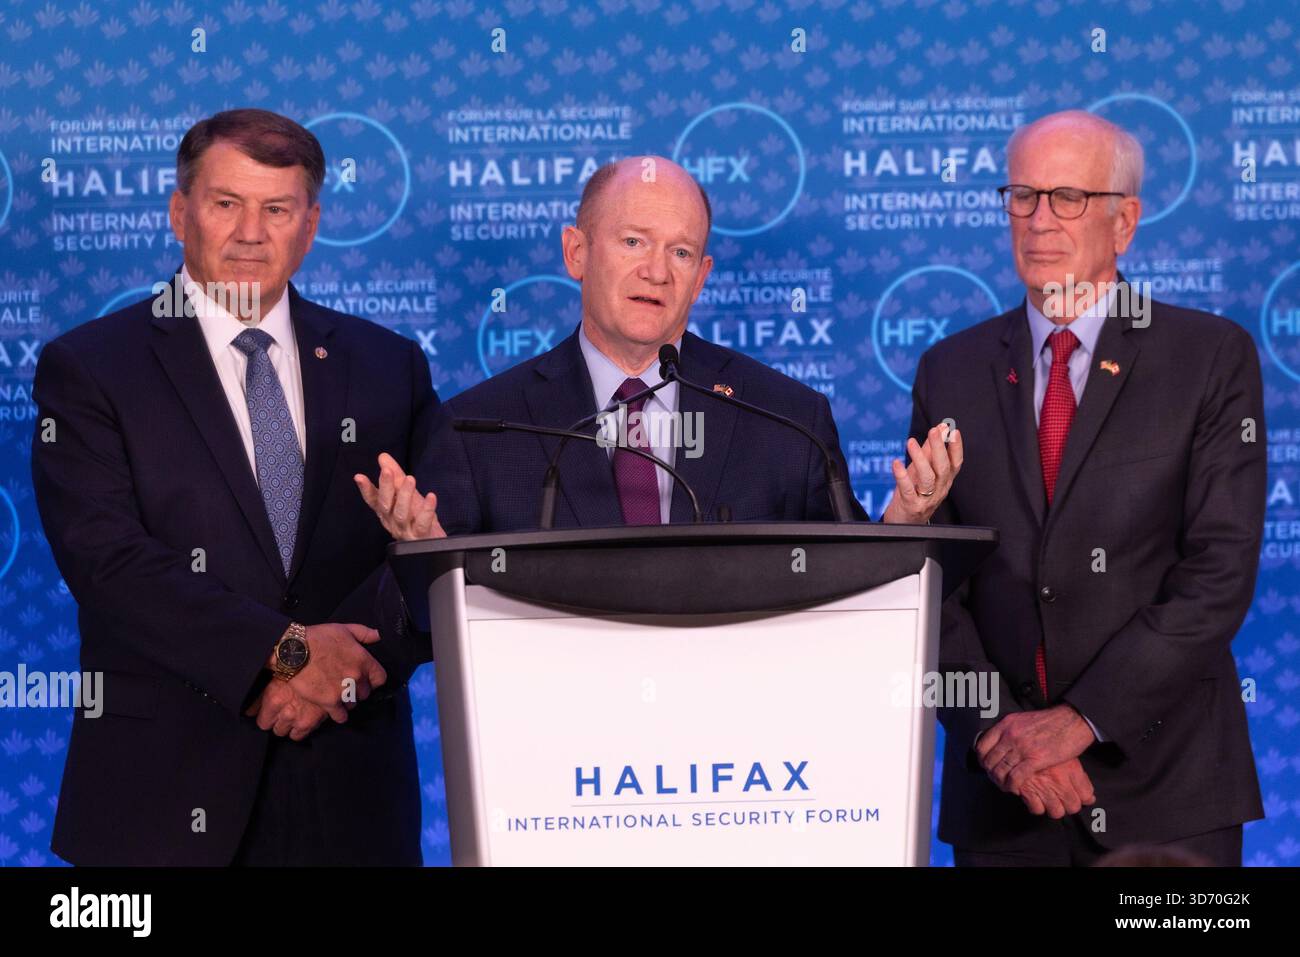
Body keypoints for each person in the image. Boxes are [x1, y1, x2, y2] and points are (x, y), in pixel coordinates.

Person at [31, 109, 436, 865]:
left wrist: (336, 670)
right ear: (180, 211)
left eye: (276, 209)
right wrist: (284, 655)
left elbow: (430, 553)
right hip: (163, 798)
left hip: (353, 798)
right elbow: (108, 564)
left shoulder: (389, 367)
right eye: (226, 204)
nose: (251, 232)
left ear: (310, 225)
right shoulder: (92, 368)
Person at [910, 110, 1265, 866]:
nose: (1040, 220)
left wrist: (1078, 721)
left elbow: (1218, 575)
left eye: (1068, 196)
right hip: (1005, 803)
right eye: (1023, 195)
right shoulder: (951, 369)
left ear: (1124, 221)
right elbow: (932, 584)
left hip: (1168, 795)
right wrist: (1000, 732)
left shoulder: (1208, 358)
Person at [358, 155, 961, 541]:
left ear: (700, 277)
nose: (657, 272)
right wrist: (426, 560)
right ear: (576, 253)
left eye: (680, 253)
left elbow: (850, 589)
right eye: (632, 241)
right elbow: (425, 627)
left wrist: (905, 523)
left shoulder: (788, 419)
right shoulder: (479, 427)